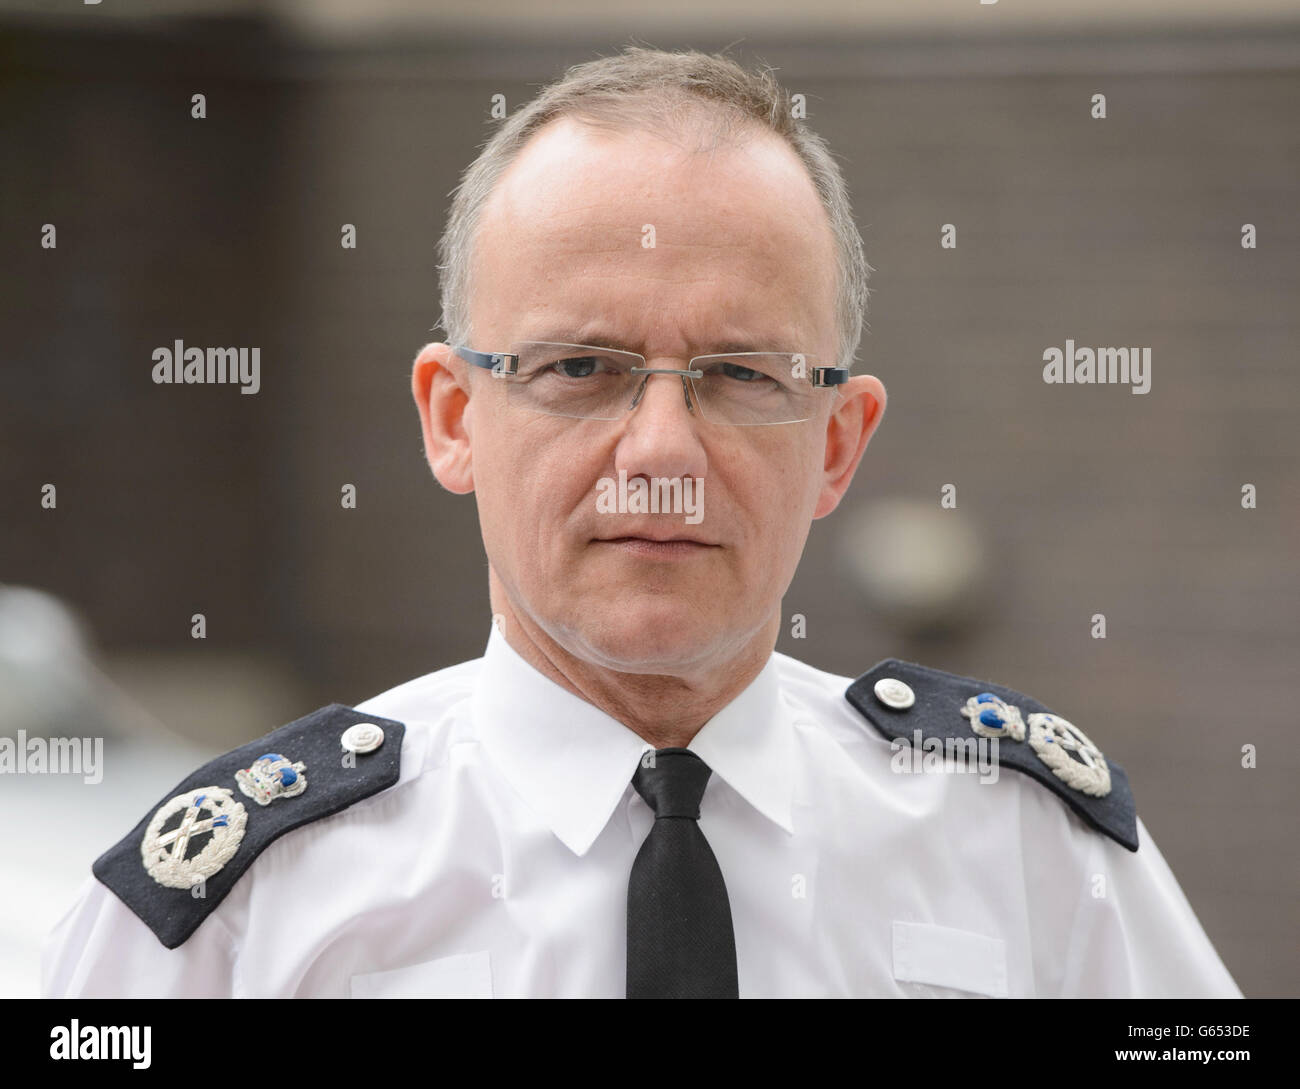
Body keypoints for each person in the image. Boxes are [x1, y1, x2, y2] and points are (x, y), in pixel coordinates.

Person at [42, 46, 1240, 999]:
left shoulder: (1021, 845)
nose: (662, 451)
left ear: (835, 444)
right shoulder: (253, 899)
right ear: (453, 417)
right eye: (578, 366)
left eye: (742, 374)